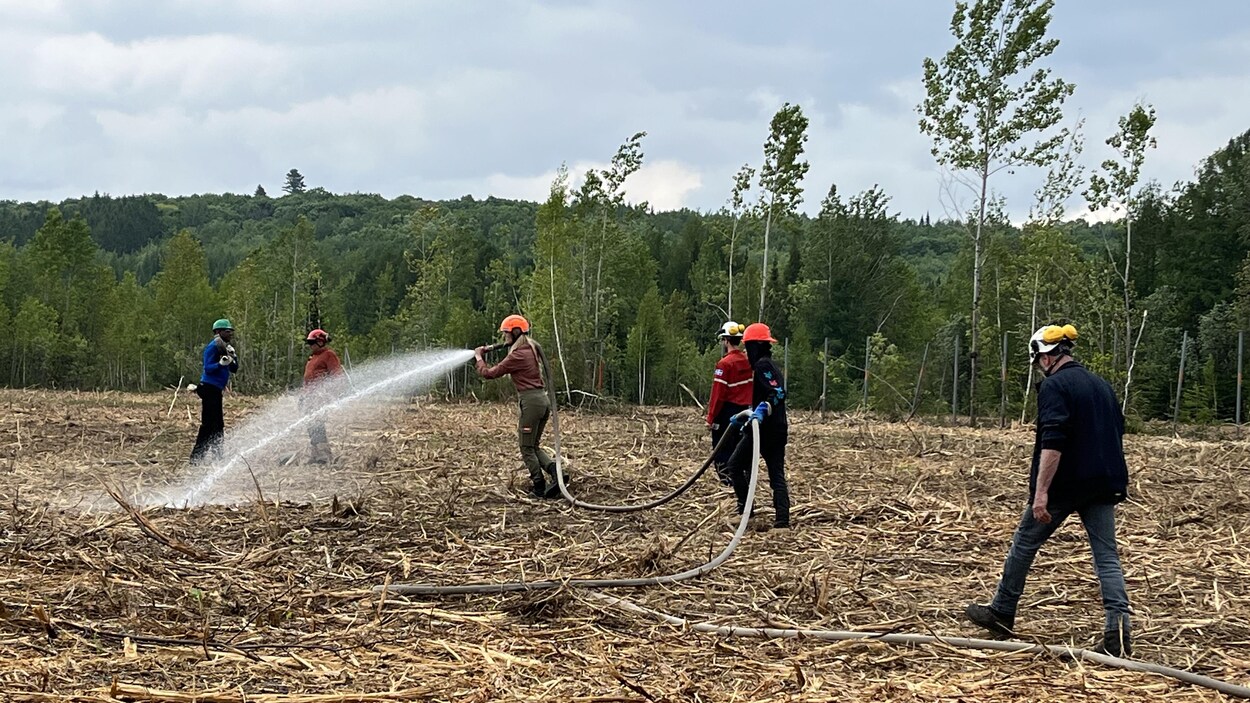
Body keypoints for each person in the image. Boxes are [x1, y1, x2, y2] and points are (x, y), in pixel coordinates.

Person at [965, 323, 1133, 656]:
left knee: (1025, 542)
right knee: (1107, 558)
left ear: (1044, 356)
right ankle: (1119, 633)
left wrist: (1041, 493)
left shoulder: (1054, 386)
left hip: (1064, 486)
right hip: (1104, 483)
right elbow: (1117, 431)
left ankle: (1001, 612)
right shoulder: (1102, 385)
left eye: (1036, 360)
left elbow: (1052, 441)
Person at [475, 314, 561, 499]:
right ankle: (556, 474)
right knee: (534, 446)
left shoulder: (518, 355)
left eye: (506, 333)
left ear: (515, 332)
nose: (504, 337)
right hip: (542, 401)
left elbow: (490, 373)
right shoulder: (530, 348)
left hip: (531, 403)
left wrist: (479, 358)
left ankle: (539, 487)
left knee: (526, 447)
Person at [725, 322, 791, 529]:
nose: (746, 351)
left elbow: (778, 393)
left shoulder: (763, 365)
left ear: (756, 345)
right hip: (769, 428)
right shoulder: (767, 365)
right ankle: (777, 521)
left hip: (767, 431)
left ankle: (756, 515)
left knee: (735, 465)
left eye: (748, 346)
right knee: (772, 474)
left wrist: (762, 410)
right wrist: (746, 417)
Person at [706, 321, 752, 485]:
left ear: (725, 340)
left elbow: (718, 395)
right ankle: (742, 481)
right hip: (746, 412)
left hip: (727, 413)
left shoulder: (724, 364)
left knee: (721, 449)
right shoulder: (748, 361)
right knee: (741, 449)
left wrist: (711, 418)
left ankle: (727, 482)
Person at [190, 318, 239, 464]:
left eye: (230, 331)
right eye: (227, 331)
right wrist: (220, 363)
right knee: (208, 424)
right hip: (208, 388)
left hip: (216, 390)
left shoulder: (225, 348)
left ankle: (218, 456)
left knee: (218, 425)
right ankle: (196, 457)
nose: (230, 333)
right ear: (218, 332)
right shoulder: (212, 347)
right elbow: (208, 368)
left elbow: (234, 369)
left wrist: (233, 357)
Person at [302, 328, 345, 464]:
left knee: (317, 424)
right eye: (309, 343)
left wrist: (328, 394)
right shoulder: (313, 357)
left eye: (312, 342)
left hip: (320, 396)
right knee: (311, 425)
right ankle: (315, 453)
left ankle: (324, 455)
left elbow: (337, 376)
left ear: (321, 342)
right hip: (309, 396)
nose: (310, 345)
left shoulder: (329, 355)